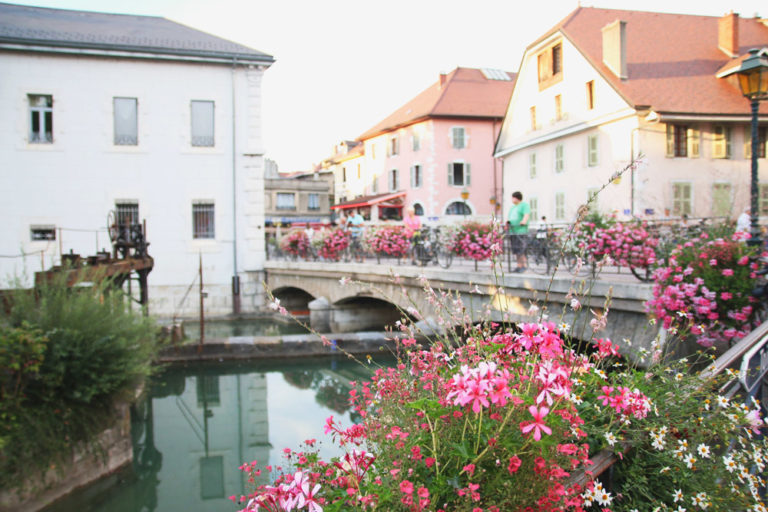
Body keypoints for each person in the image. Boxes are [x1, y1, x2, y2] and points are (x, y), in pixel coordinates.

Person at [508, 191, 530, 272]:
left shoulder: (524, 205)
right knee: (516, 250)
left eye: (513, 197)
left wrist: (523, 221)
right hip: (513, 231)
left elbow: (526, 214)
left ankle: (524, 265)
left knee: (521, 249)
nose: (512, 199)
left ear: (517, 198)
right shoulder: (513, 207)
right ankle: (519, 265)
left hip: (521, 231)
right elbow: (510, 217)